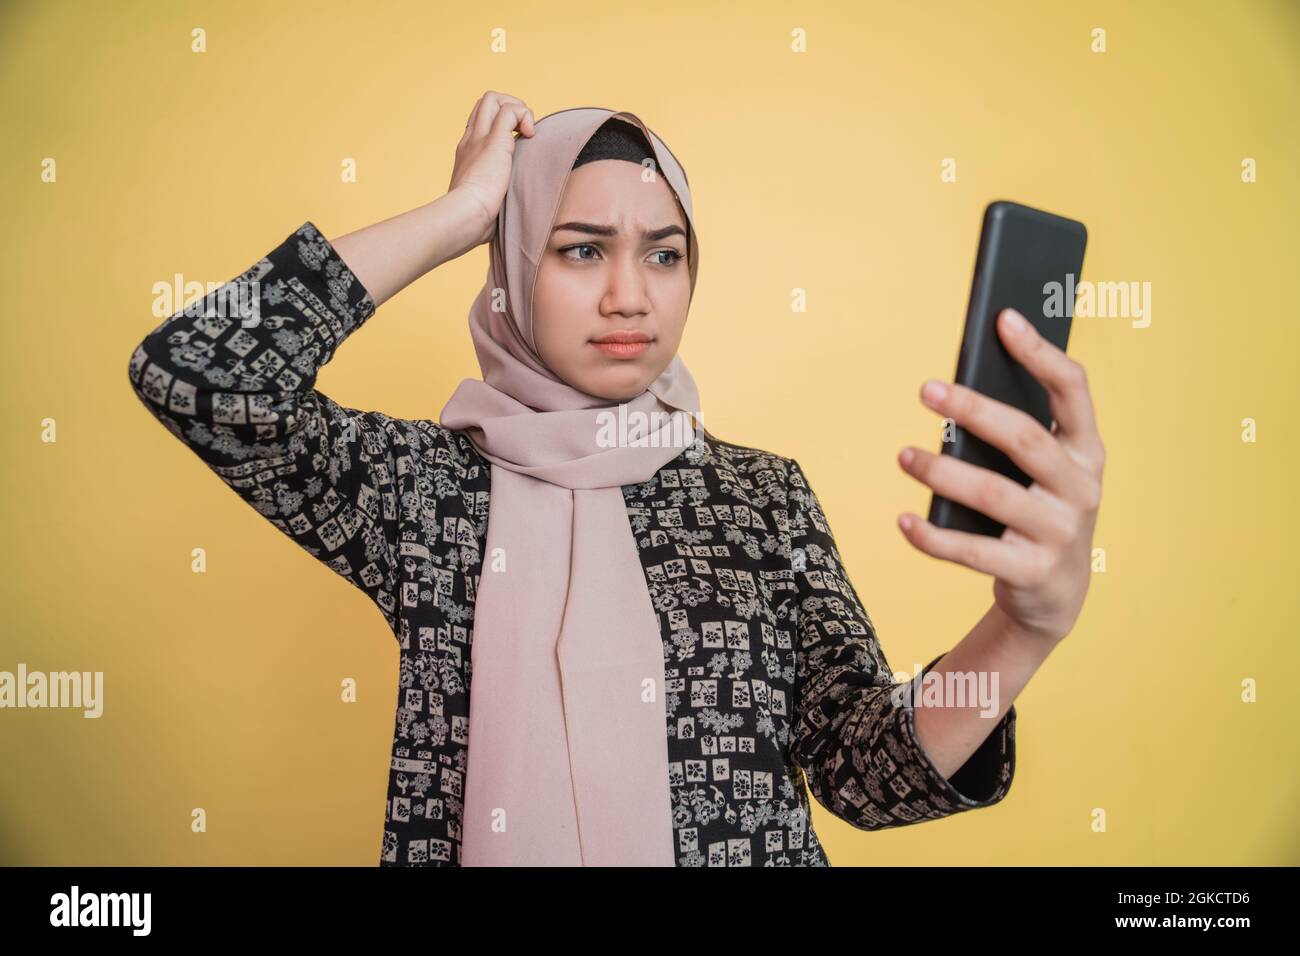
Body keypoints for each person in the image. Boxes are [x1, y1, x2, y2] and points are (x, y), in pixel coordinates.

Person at [127, 92, 1105, 866]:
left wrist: (1022, 629)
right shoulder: (423, 488)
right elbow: (197, 370)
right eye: (579, 247)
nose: (629, 294)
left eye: (663, 254)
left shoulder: (756, 495)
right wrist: (461, 212)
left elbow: (865, 770)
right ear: (512, 267)